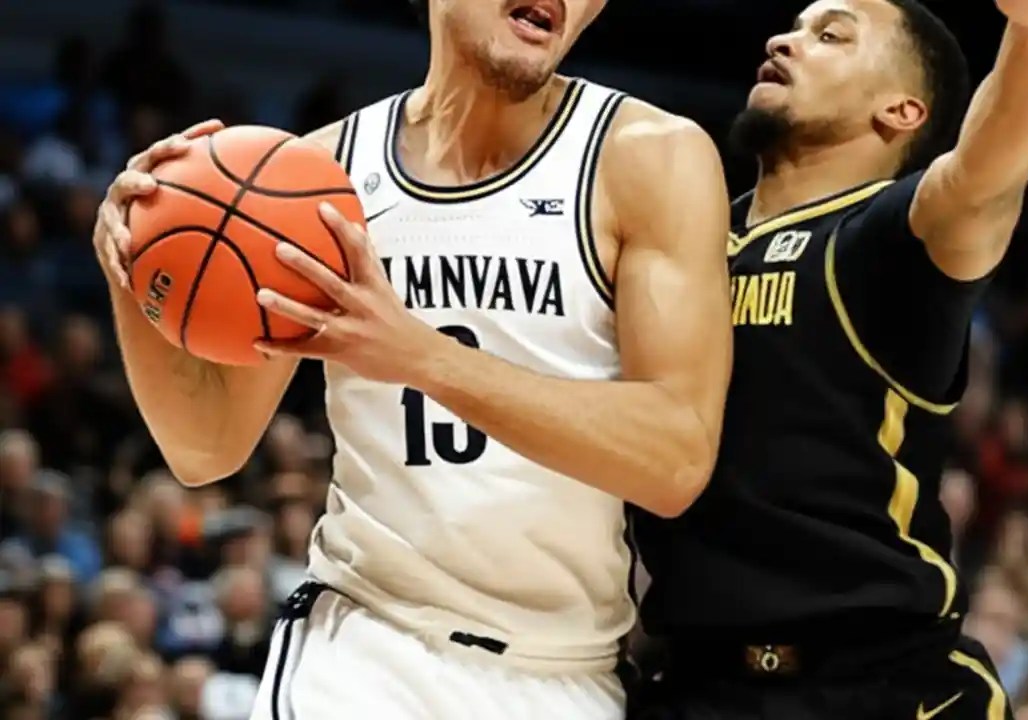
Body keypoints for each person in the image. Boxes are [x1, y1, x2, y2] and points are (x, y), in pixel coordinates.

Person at [90, 0, 734, 717]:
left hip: (564, 670)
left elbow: (677, 458)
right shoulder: (319, 171)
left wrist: (418, 356)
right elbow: (205, 448)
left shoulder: (647, 156)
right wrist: (134, 268)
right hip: (362, 648)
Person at [631, 0, 1028, 717]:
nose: (784, 40)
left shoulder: (885, 241)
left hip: (879, 686)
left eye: (830, 36)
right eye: (794, 27)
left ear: (901, 111)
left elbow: (983, 181)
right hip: (693, 683)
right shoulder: (682, 241)